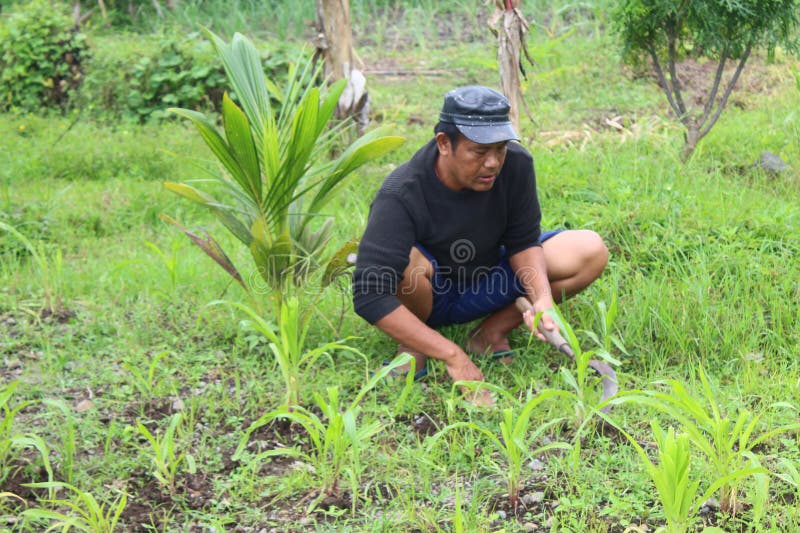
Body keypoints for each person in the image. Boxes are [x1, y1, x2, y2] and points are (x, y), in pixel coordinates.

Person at [352, 86, 608, 405]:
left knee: (589, 249)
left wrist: (541, 299)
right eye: (478, 151)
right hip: (430, 294)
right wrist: (452, 356)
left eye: (500, 149)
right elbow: (369, 293)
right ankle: (414, 345)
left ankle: (488, 335)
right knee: (405, 263)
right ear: (444, 144)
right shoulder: (402, 192)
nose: (492, 163)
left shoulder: (515, 165)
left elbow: (522, 241)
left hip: (489, 280)